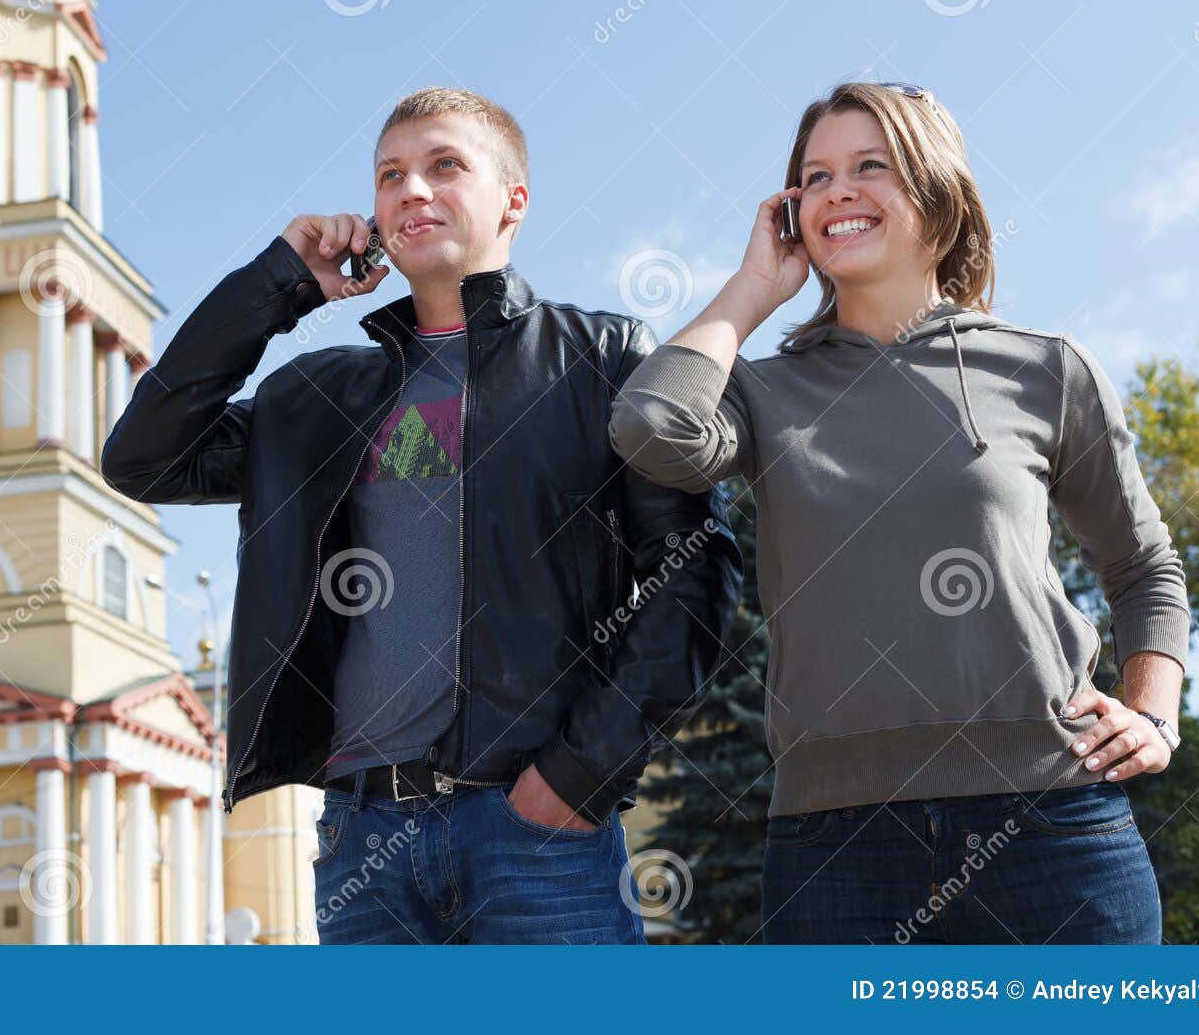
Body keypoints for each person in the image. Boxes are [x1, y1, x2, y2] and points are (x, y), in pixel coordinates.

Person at [101, 86, 742, 944]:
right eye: (390, 175)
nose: (412, 190)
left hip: (537, 833)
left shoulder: (602, 361)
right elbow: (144, 456)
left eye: (445, 166)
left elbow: (695, 574)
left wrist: (578, 775)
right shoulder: (317, 396)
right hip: (362, 840)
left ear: (513, 200)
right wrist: (279, 285)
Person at [607, 81, 1189, 944]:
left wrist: (1154, 713)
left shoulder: (1045, 370)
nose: (838, 189)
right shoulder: (762, 392)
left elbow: (1144, 567)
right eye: (815, 175)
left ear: (937, 189)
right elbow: (651, 428)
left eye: (869, 166)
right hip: (833, 848)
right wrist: (752, 287)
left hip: (1054, 825)